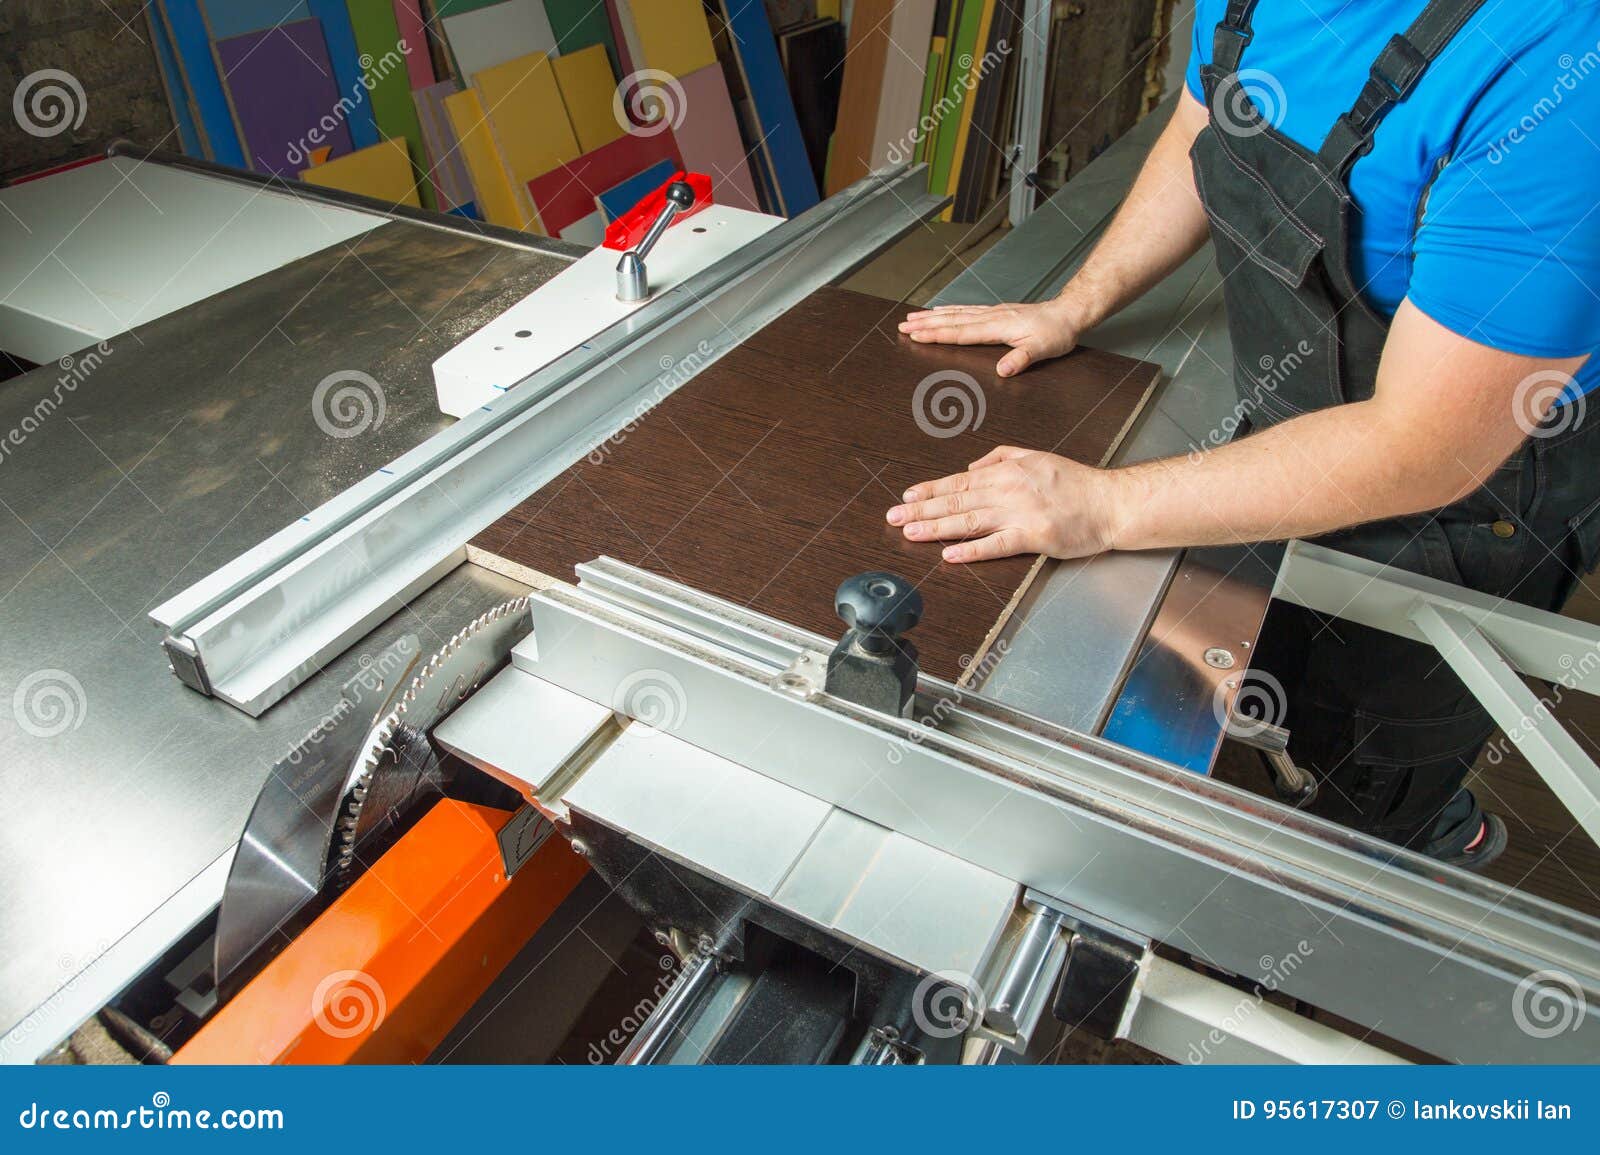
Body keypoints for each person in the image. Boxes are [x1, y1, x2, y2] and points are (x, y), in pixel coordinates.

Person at [891, 0, 1600, 869]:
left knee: (1384, 734)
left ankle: (1409, 833)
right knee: (1277, 654)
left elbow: (1429, 445)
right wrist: (1077, 301)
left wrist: (1103, 506)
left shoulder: (1558, 70)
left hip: (1478, 486)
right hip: (1316, 403)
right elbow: (1210, 117)